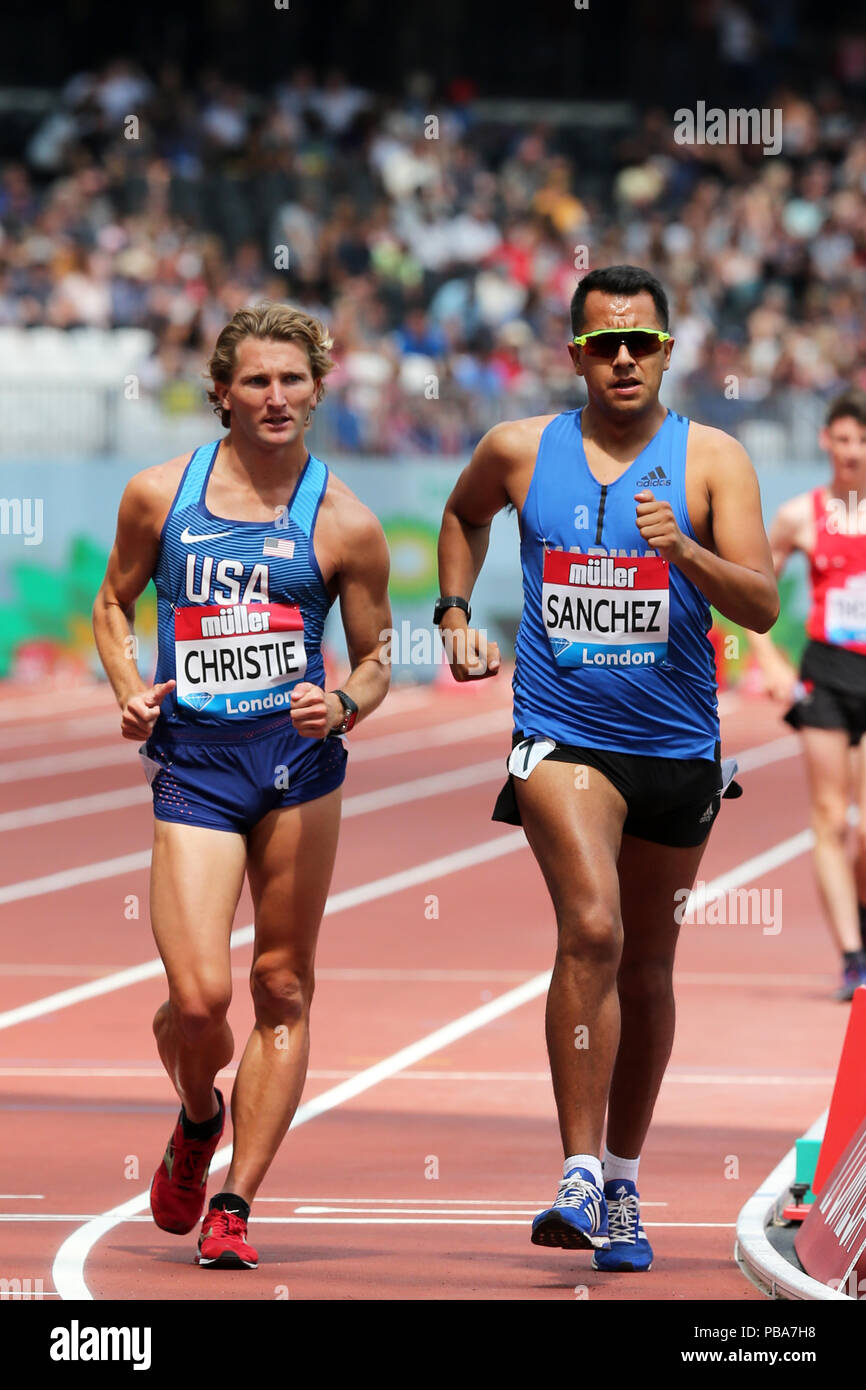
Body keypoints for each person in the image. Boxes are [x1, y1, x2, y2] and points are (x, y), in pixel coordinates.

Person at [435, 265, 778, 1271]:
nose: (620, 359)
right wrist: (453, 616)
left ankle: (623, 1179)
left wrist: (686, 555)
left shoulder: (711, 461)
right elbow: (462, 518)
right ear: (572, 353)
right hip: (559, 733)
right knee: (590, 922)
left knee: (647, 966)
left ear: (667, 351)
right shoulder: (516, 449)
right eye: (601, 344)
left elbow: (758, 605)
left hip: (676, 748)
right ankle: (576, 1172)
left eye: (639, 342)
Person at [92, 302, 391, 1269]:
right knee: (197, 1003)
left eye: (292, 381)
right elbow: (113, 603)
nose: (275, 398)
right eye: (256, 381)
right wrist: (132, 688)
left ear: (318, 389)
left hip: (299, 768)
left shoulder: (344, 520)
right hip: (198, 766)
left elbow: (379, 655)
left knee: (282, 984)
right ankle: (195, 1113)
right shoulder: (158, 497)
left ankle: (235, 1202)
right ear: (221, 392)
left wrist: (342, 704)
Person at [747, 390, 866, 1001]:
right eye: (842, 440)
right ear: (826, 441)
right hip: (826, 674)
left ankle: (861, 917)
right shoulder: (800, 515)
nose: (851, 453)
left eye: (862, 441)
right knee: (828, 818)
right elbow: (750, 592)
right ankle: (852, 956)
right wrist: (769, 659)